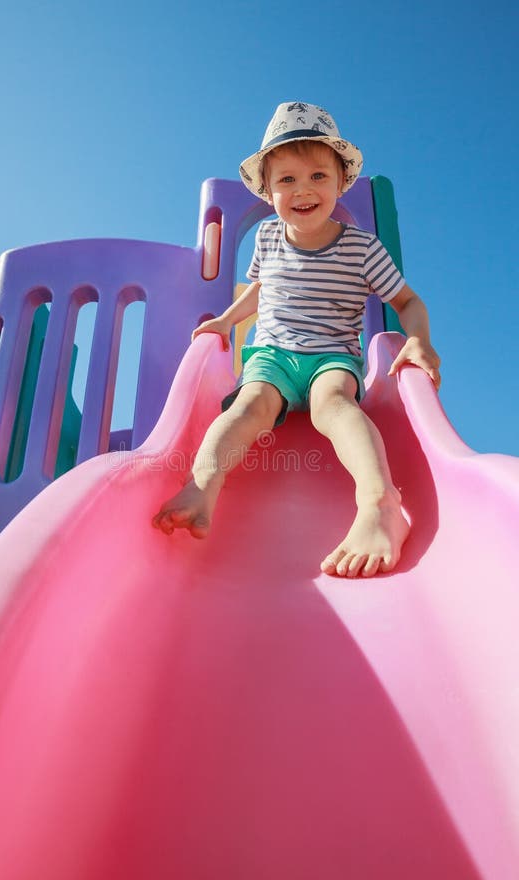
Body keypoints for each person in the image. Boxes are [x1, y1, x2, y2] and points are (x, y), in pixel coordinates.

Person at [153, 101, 441, 578]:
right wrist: (226, 320)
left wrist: (419, 340)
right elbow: (262, 290)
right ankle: (201, 485)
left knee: (334, 406)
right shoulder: (267, 238)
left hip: (331, 357)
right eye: (286, 179)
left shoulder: (361, 248)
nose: (303, 190)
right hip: (272, 355)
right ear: (267, 191)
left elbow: (409, 302)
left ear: (340, 182)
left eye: (317, 177)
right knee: (249, 407)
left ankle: (379, 504)